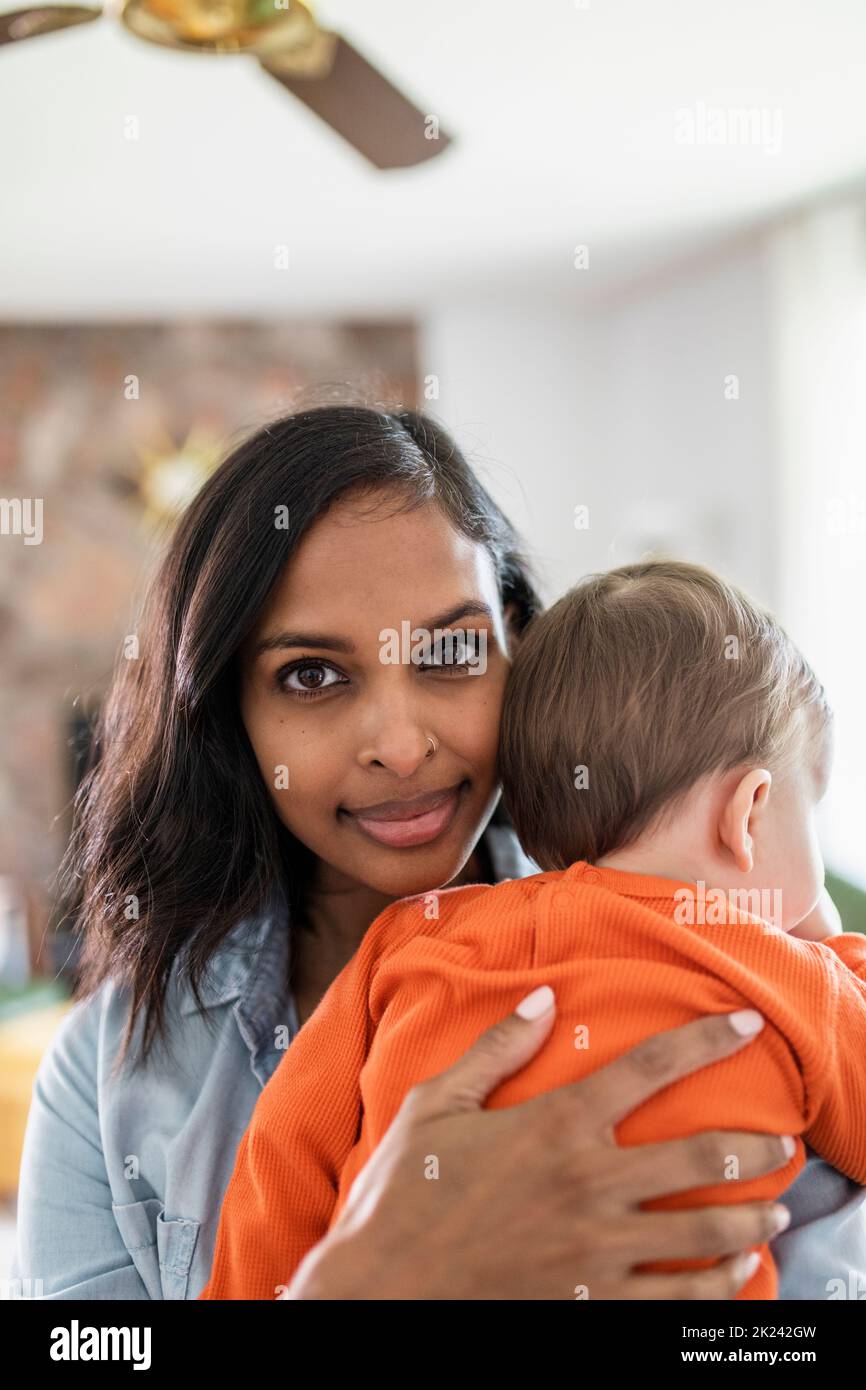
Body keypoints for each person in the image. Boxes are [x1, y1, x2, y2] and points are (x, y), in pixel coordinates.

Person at [12, 408, 851, 1300]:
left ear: (518, 645)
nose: (402, 747)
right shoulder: (109, 1079)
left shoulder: (735, 969)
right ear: (230, 711)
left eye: (450, 651)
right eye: (312, 674)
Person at [199, 559, 866, 1300]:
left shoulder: (409, 940)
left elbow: (282, 1161)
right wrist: (838, 957)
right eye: (810, 814)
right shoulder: (770, 966)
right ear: (749, 815)